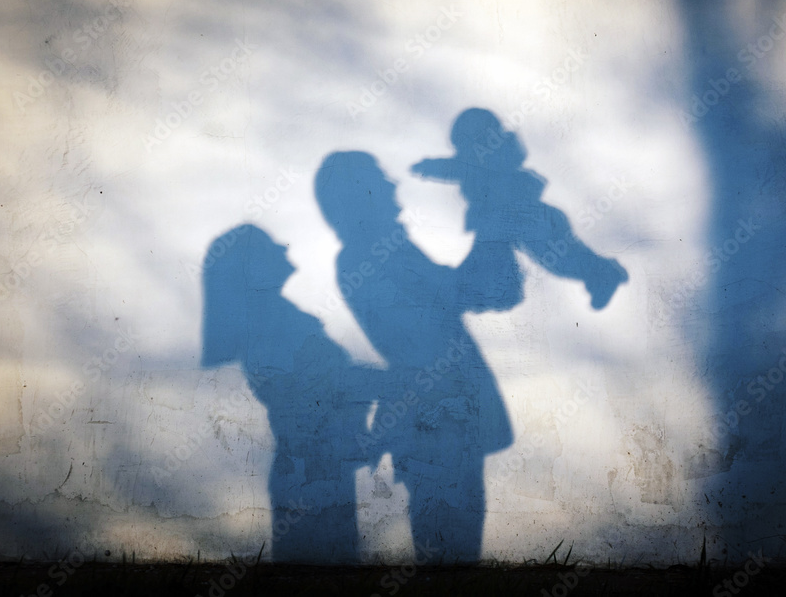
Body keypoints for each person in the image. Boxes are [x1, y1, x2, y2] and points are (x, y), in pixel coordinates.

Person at [314, 151, 515, 563]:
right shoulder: (370, 254)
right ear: (356, 196)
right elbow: (456, 294)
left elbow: (470, 291)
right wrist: (492, 218)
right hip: (436, 414)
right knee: (449, 558)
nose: (391, 186)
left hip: (442, 412)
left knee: (453, 554)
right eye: (378, 179)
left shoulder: (385, 250)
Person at [200, 224, 375, 563]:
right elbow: (328, 382)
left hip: (318, 467)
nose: (285, 245)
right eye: (270, 245)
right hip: (310, 468)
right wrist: (398, 381)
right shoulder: (272, 324)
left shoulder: (276, 319)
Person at [411, 107, 629, 309]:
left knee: (555, 259)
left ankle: (602, 273)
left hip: (525, 219)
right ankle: (599, 274)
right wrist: (430, 167)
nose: (461, 153)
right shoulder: (483, 159)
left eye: (463, 145)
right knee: (557, 259)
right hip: (523, 221)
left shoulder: (488, 158)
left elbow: (456, 167)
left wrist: (430, 167)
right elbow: (458, 167)